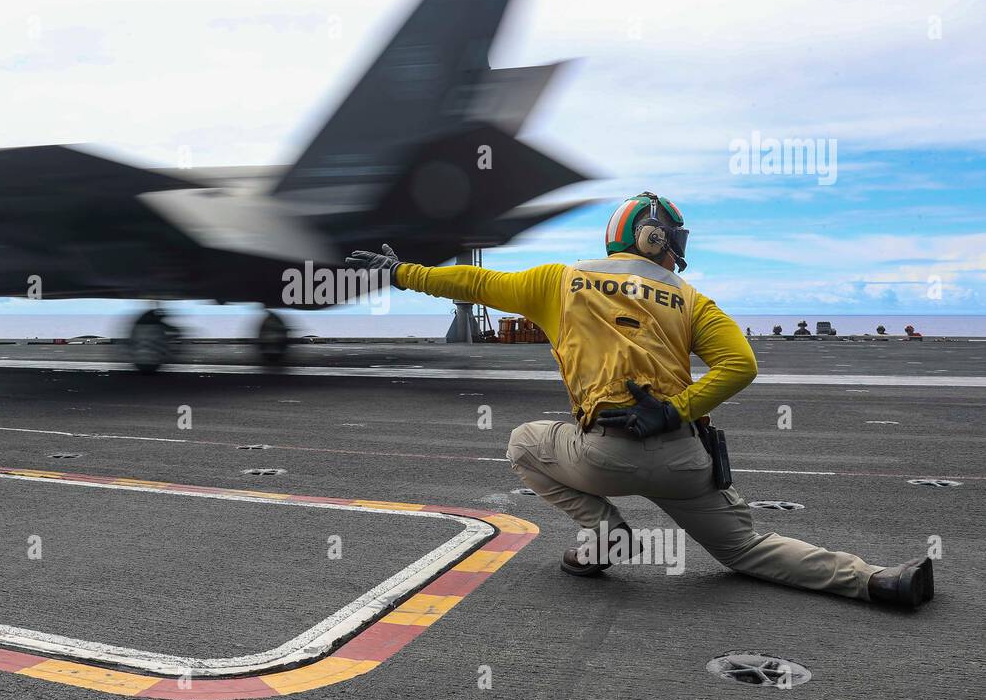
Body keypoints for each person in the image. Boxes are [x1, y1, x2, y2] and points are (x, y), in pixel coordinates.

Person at [346, 191, 933, 607]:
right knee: (751, 549)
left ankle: (604, 533)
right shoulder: (690, 296)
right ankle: (879, 580)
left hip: (602, 456)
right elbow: (741, 365)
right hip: (683, 458)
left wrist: (403, 273)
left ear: (620, 234)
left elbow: (476, 283)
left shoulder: (560, 279)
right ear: (661, 241)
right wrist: (676, 409)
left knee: (524, 441)